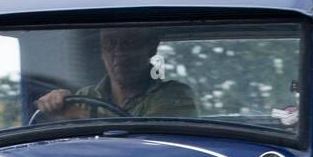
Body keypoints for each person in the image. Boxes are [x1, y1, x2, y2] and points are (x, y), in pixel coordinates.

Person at [34, 27, 197, 120]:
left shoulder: (173, 95)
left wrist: (75, 114)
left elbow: (155, 143)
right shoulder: (85, 96)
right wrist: (54, 103)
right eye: (110, 44)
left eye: (129, 43)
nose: (118, 53)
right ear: (102, 53)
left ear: (151, 48)